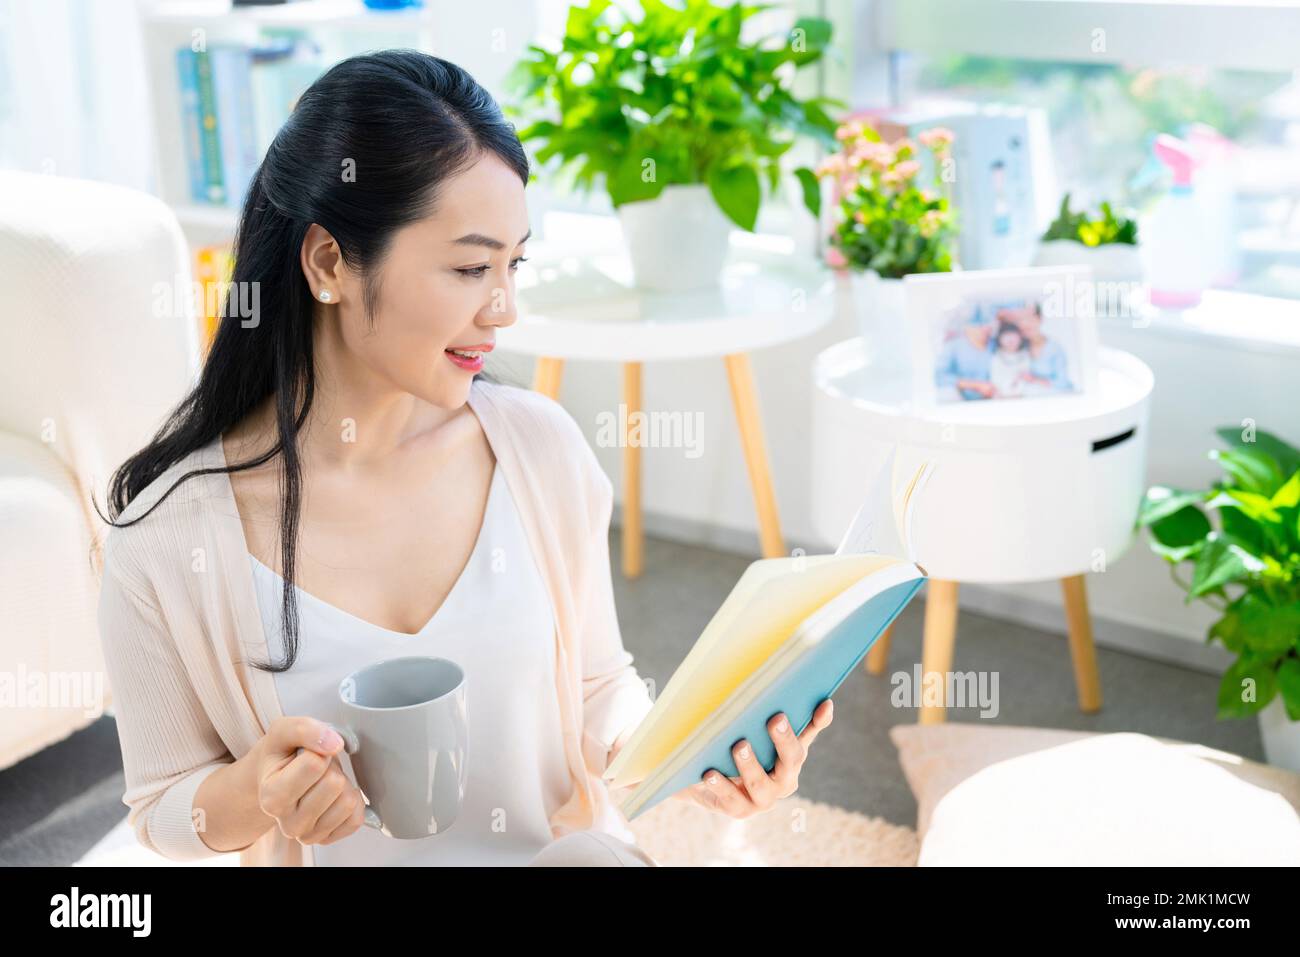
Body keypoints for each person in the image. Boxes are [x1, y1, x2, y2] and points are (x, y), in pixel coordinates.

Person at [96, 51, 834, 867]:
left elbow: (597, 689)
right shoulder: (165, 539)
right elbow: (161, 807)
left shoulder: (538, 451)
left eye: (513, 265)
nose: (505, 308)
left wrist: (696, 755)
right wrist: (255, 795)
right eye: (470, 267)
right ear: (329, 263)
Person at [987, 321, 1031, 397]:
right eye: (1006, 336)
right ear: (999, 339)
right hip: (1001, 397)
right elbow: (995, 381)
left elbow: (1025, 379)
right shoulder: (995, 358)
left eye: (1014, 336)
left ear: (1020, 338)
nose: (1011, 340)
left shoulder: (1025, 356)